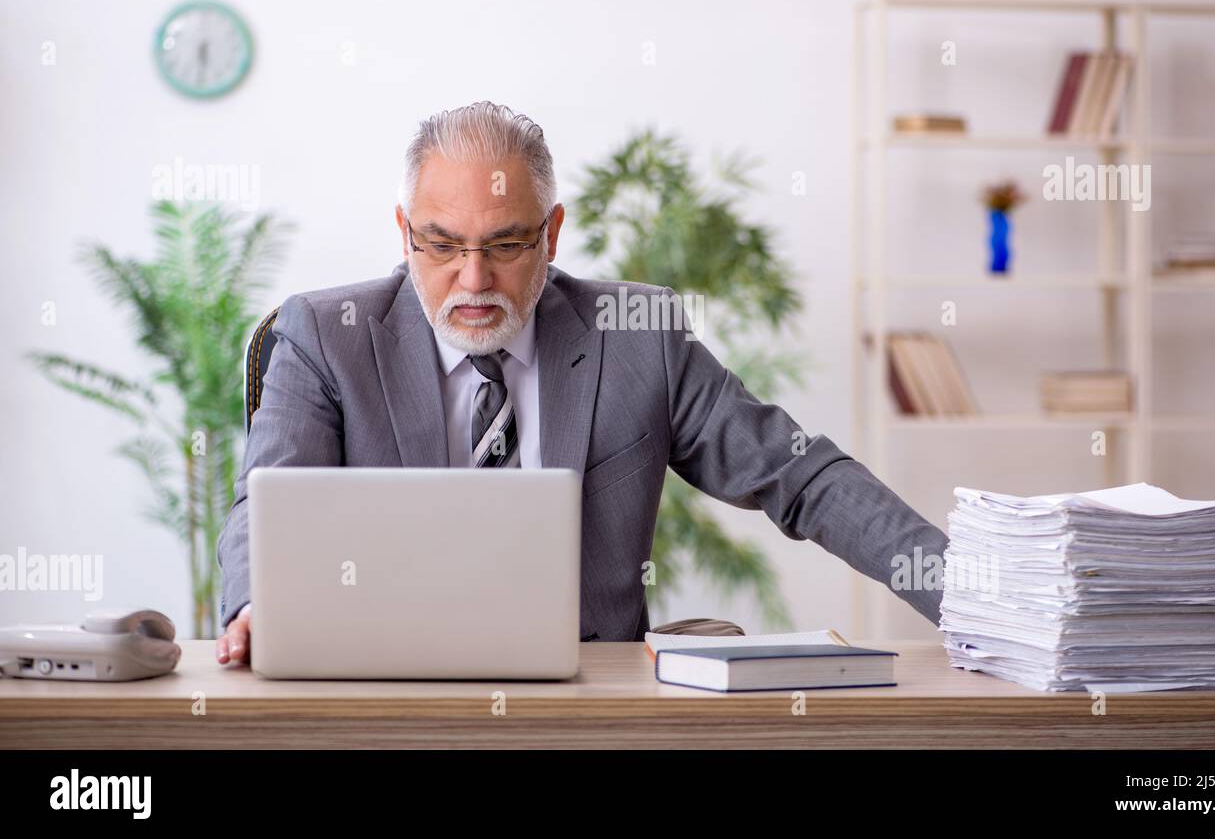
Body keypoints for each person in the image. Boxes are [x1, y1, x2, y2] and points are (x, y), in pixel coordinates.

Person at [215, 101, 948, 665]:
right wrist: (256, 605)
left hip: (591, 705)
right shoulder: (326, 335)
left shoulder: (637, 335)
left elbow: (799, 475)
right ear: (404, 231)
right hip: (386, 694)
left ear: (552, 233)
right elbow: (269, 504)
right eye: (441, 245)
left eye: (505, 244)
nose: (473, 279)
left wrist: (984, 600)